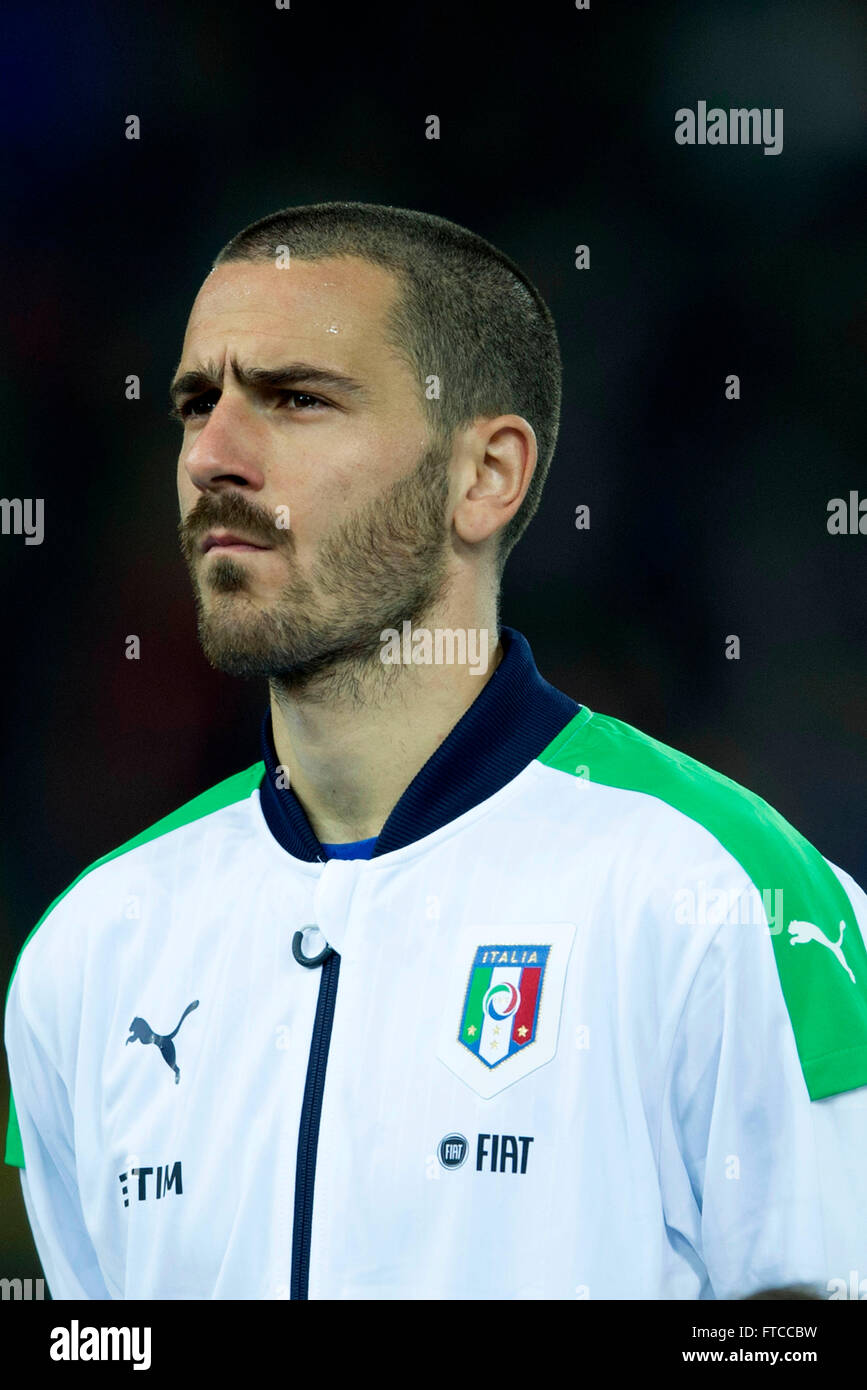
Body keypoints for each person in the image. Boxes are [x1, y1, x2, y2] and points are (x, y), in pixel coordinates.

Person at [5, 202, 867, 1300]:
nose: (212, 455)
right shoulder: (88, 951)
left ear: (486, 476)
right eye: (195, 403)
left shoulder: (733, 897)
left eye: (296, 398)